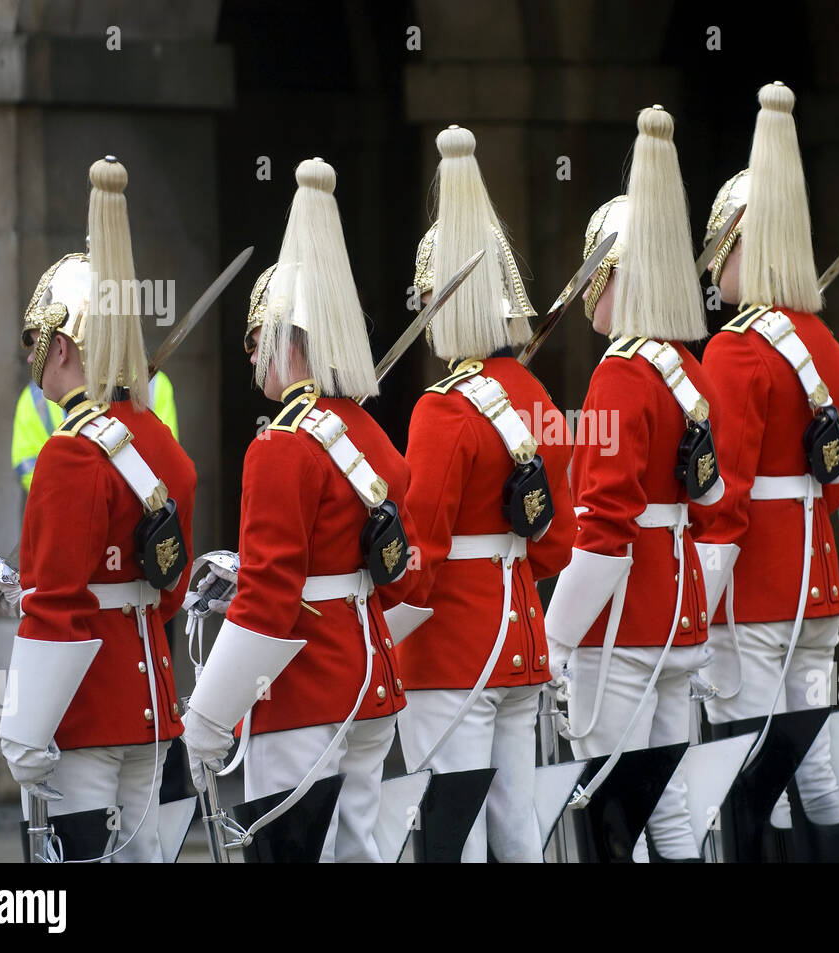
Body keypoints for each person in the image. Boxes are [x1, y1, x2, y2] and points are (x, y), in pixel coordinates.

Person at [182, 158, 416, 863]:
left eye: (256, 338)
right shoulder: (368, 432)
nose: (251, 354)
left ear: (284, 337)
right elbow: (406, 575)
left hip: (304, 698)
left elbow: (268, 600)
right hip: (371, 688)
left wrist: (207, 717)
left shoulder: (280, 448)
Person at [0, 156, 197, 862]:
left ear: (61, 346)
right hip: (151, 704)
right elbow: (169, 584)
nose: (34, 360)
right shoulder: (164, 448)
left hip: (83, 716)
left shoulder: (68, 454)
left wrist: (24, 730)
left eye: (36, 344)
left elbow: (54, 604)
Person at [388, 125, 574, 862]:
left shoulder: (442, 410)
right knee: (516, 828)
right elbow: (553, 544)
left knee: (451, 837)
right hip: (520, 642)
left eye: (426, 296)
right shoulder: (539, 402)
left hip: (452, 652)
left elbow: (421, 553)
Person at [544, 105, 724, 863]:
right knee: (670, 807)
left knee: (612, 813)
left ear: (612, 272)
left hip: (621, 632)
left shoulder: (621, 374)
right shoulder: (685, 369)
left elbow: (605, 532)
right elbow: (711, 498)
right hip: (678, 621)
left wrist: (555, 636)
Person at [694, 82, 839, 861]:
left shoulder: (733, 349)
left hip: (755, 590)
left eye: (718, 252)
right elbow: (830, 482)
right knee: (816, 765)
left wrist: (696, 601)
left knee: (749, 769)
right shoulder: (824, 344)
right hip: (817, 586)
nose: (713, 272)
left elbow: (723, 493)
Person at [12, 373, 178, 493]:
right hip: (68, 512)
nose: (31, 357)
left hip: (140, 511)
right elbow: (26, 463)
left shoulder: (156, 384)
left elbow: (167, 459)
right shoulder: (34, 397)